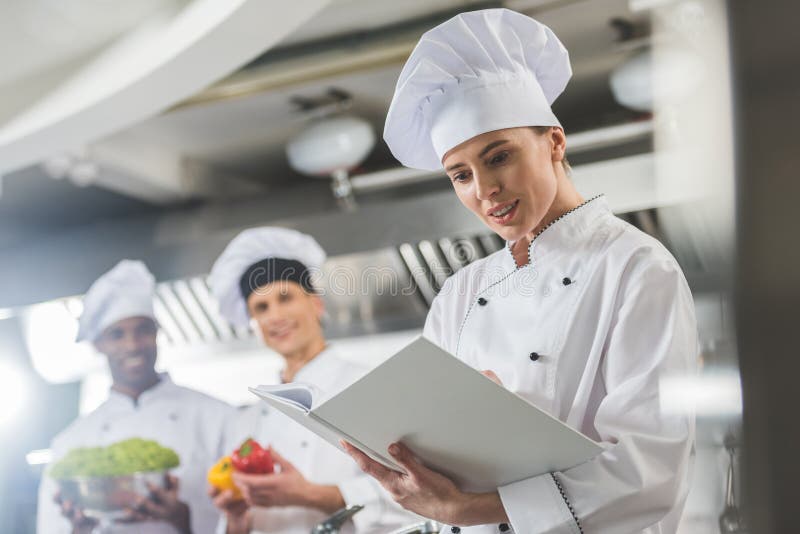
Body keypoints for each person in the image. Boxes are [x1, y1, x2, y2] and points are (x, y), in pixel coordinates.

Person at [342, 8, 697, 534]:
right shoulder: (461, 294)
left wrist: (471, 509)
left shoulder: (637, 268)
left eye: (499, 156)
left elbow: (650, 471)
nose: (484, 190)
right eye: (460, 174)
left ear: (554, 142)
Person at [207, 227, 415, 534]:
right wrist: (236, 522)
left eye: (285, 298)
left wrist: (309, 494)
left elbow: (412, 494)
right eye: (261, 308)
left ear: (316, 304)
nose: (275, 316)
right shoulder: (245, 421)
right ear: (254, 325)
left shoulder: (369, 386)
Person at [37, 260, 234, 534]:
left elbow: (244, 516)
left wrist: (184, 519)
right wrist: (79, 530)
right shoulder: (70, 443)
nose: (132, 345)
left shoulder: (216, 417)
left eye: (143, 330)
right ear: (99, 345)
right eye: (117, 334)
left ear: (158, 332)